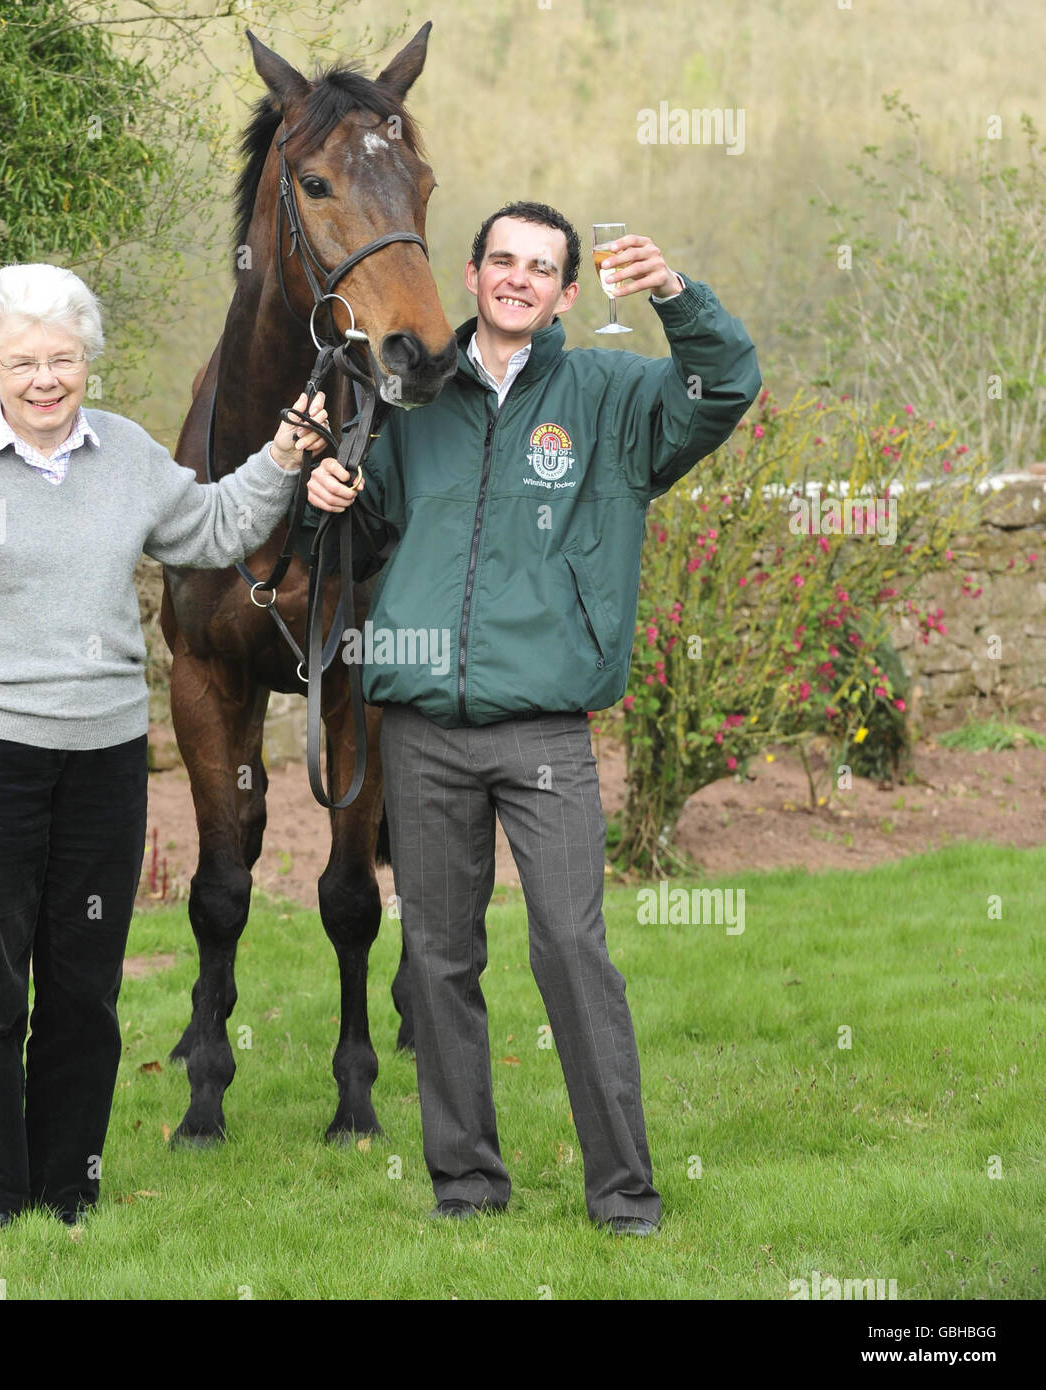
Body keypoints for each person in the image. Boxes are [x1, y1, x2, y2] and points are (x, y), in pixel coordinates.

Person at [0, 262, 330, 1236]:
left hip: (101, 759)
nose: (44, 379)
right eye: (22, 362)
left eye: (62, 359)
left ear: (88, 359)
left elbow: (212, 524)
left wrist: (285, 455)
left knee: (85, 986)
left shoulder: (126, 454)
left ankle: (68, 1189)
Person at [305, 201, 761, 1233]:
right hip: (418, 726)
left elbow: (727, 383)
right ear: (469, 275)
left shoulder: (613, 394)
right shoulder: (409, 396)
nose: (517, 278)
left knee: (569, 947)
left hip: (543, 728)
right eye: (500, 259)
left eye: (540, 267)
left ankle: (625, 1195)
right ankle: (465, 1186)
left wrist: (675, 297)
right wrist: (328, 485)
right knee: (437, 959)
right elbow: (369, 517)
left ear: (563, 292)